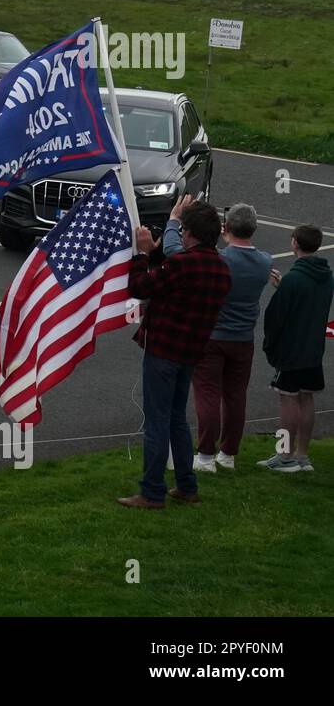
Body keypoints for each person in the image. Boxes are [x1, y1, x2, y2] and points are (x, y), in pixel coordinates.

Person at [119, 201, 231, 509]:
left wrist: (142, 255)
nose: (179, 236)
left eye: (182, 231)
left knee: (156, 421)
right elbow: (171, 282)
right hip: (191, 352)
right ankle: (186, 484)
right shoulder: (221, 267)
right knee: (176, 419)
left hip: (163, 350)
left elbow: (140, 287)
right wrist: (155, 255)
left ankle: (152, 491)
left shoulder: (183, 264)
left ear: (191, 234)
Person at [162, 198, 272, 472]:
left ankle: (207, 455)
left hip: (212, 335)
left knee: (207, 394)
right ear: (254, 228)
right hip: (244, 338)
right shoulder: (264, 261)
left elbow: (175, 252)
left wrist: (174, 221)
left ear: (225, 228)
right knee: (236, 396)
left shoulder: (221, 260)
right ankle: (228, 453)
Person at [259, 224, 332, 472]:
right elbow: (307, 303)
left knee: (288, 399)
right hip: (313, 349)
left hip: (291, 350)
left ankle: (285, 455)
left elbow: (276, 317)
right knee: (306, 396)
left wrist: (270, 345)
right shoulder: (326, 277)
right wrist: (284, 288)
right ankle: (302, 454)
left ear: (294, 243)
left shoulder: (294, 279)